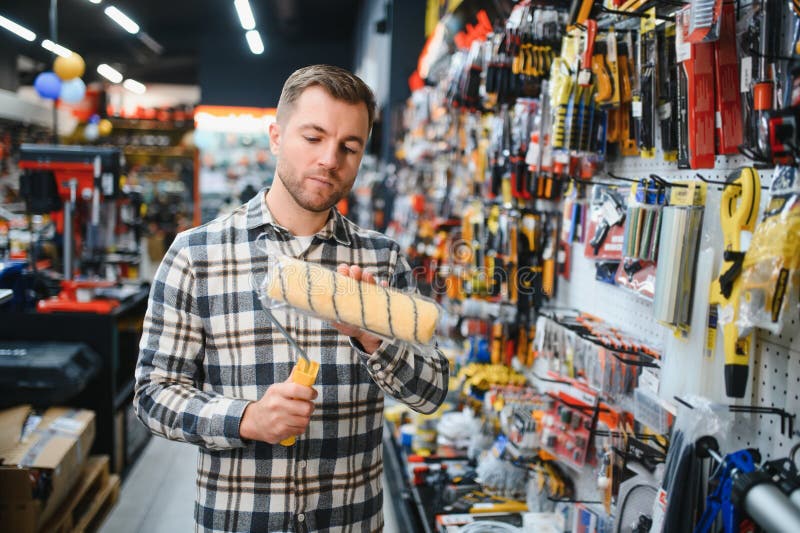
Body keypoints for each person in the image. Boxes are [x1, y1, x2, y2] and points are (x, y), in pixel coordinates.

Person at [134, 64, 450, 533]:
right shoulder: (196, 254)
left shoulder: (382, 261)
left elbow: (431, 392)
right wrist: (246, 419)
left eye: (349, 146)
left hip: (348, 522)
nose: (330, 159)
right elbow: (153, 395)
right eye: (313, 137)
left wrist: (372, 338)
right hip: (239, 521)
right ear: (277, 136)